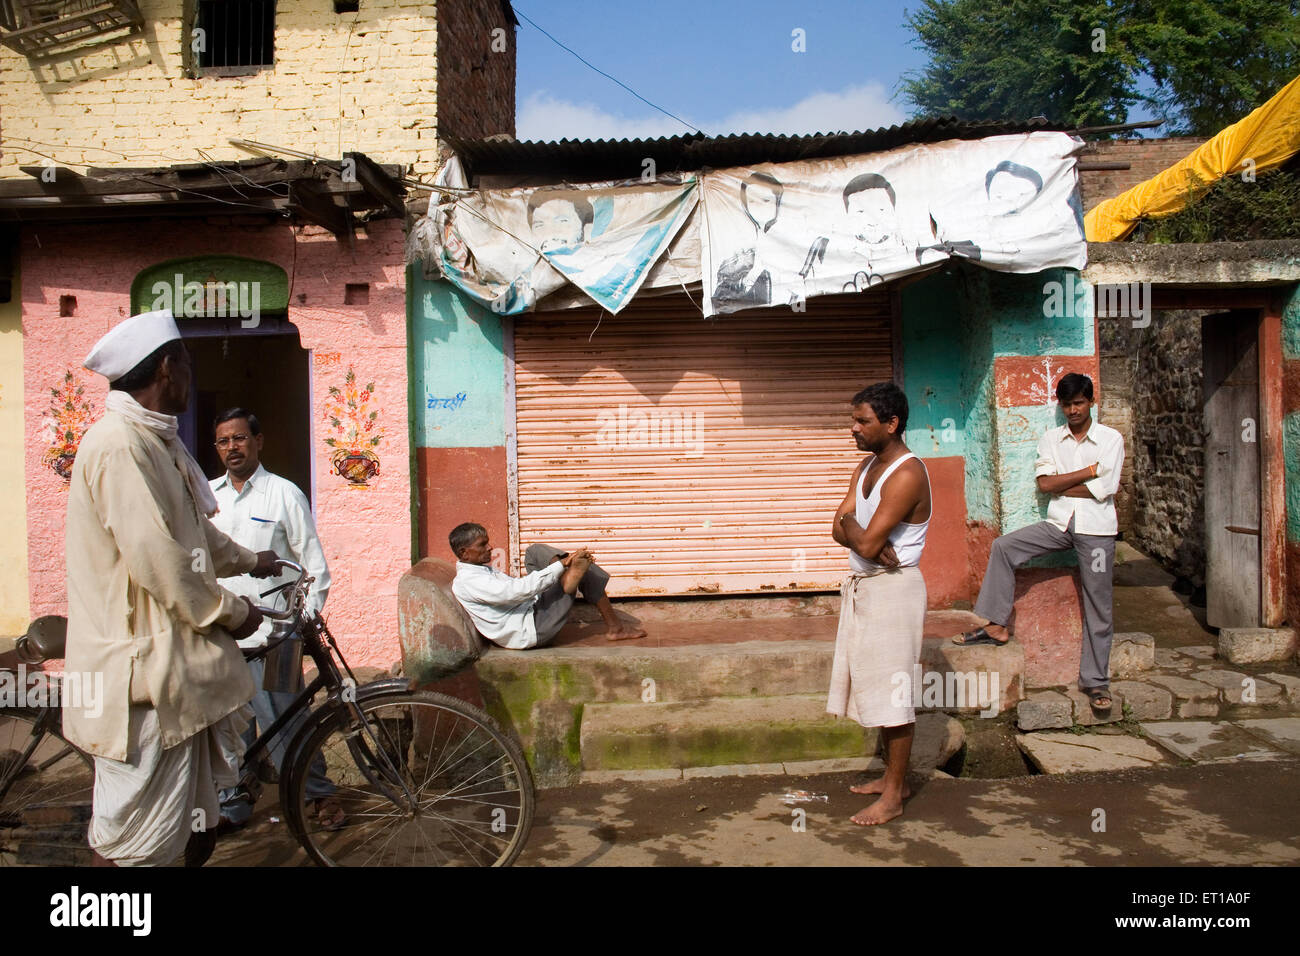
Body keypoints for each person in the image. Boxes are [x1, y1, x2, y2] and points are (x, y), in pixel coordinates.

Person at [64, 309, 279, 867]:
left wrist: (254, 560)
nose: (190, 375)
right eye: (186, 362)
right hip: (141, 683)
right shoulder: (119, 446)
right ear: (167, 367)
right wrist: (234, 613)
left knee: (193, 833)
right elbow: (160, 560)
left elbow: (195, 533)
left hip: (173, 673)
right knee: (130, 847)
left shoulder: (155, 443)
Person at [953, 373, 1124, 714]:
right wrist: (1089, 471)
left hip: (1097, 530)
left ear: (1091, 402)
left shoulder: (1110, 438)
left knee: (1098, 605)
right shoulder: (1051, 439)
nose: (1073, 410)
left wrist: (1069, 482)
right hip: (1059, 523)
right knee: (1004, 546)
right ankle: (997, 625)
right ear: (1060, 406)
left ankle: (1095, 681)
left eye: (1079, 403)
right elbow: (1046, 486)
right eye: (1067, 404)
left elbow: (1106, 489)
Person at [206, 407, 342, 832]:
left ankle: (316, 795)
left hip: (276, 634)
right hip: (223, 634)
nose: (232, 447)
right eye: (224, 441)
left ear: (258, 441)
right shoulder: (208, 498)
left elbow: (312, 565)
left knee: (289, 721)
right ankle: (234, 801)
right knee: (228, 727)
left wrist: (300, 624)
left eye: (240, 438)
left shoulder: (284, 493)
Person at [827, 382, 932, 826]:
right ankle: (896, 781)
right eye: (854, 419)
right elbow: (838, 528)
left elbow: (862, 536)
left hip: (895, 589)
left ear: (891, 424)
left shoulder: (907, 473)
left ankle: (892, 797)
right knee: (875, 687)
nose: (853, 428)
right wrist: (859, 534)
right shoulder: (865, 468)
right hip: (868, 584)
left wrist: (860, 534)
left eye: (862, 421)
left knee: (895, 696)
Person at [449, 523, 645, 648]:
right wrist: (560, 565)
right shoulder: (469, 581)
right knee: (578, 570)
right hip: (533, 628)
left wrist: (560, 567)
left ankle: (568, 576)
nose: (490, 547)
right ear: (464, 552)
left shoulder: (480, 571)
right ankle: (614, 626)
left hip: (532, 612)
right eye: (482, 545)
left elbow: (517, 590)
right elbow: (516, 592)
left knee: (534, 551)